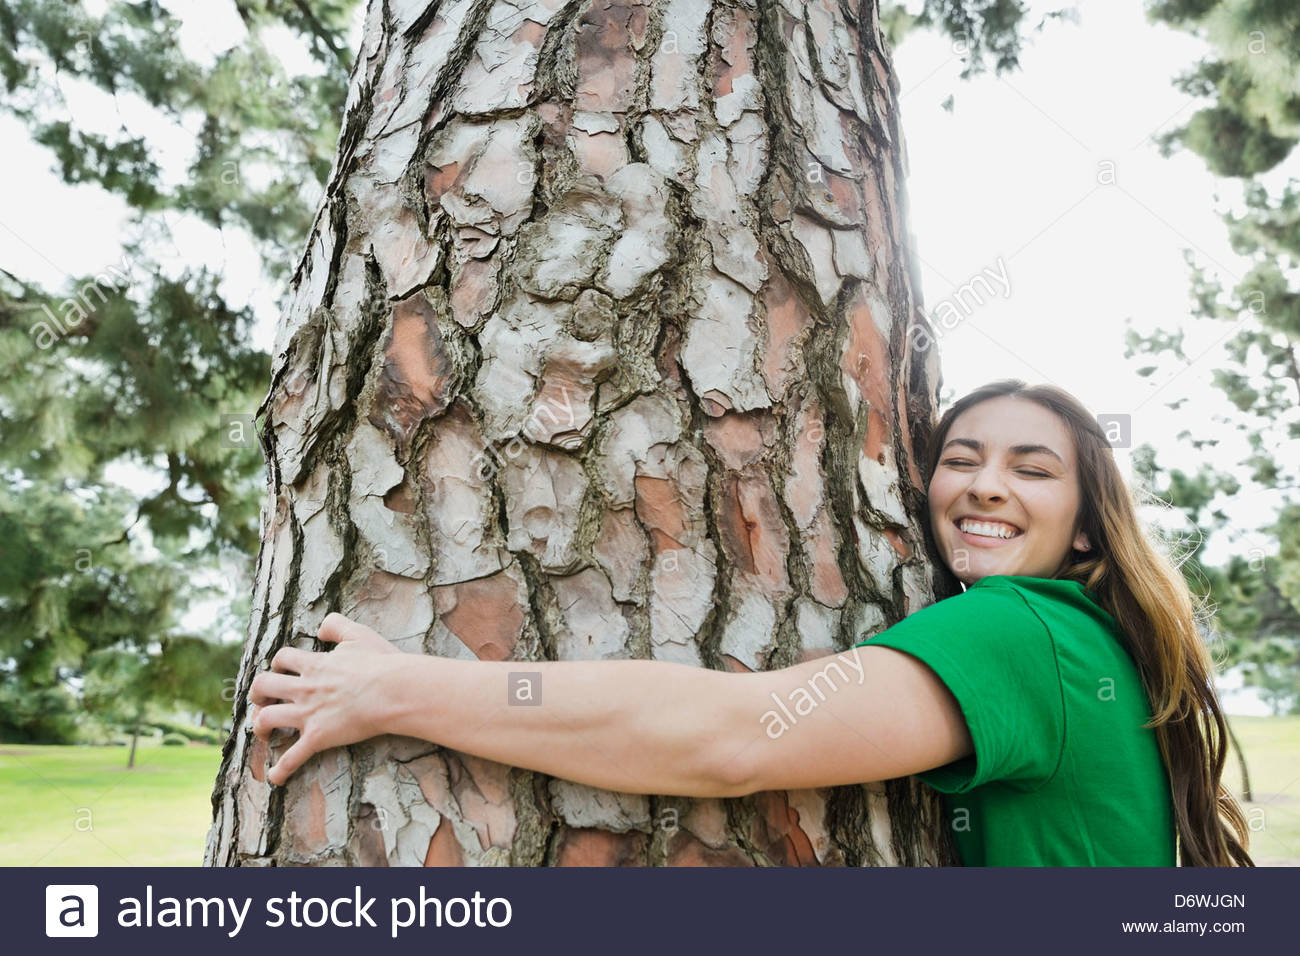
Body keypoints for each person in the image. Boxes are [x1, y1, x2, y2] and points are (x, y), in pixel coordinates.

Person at [248, 379, 1254, 867]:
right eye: (961, 456)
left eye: (1032, 469)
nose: (984, 485)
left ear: (1087, 535)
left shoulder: (1024, 631)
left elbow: (729, 737)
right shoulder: (1083, 643)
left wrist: (397, 688)